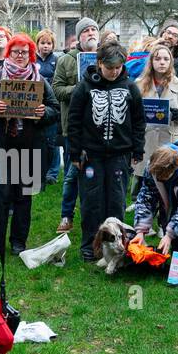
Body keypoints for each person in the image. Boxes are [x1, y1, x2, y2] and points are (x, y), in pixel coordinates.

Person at [0, 34, 59, 255]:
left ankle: (19, 242)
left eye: (24, 52)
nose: (20, 56)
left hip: (29, 147)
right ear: (9, 54)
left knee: (23, 197)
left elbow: (54, 110)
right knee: (1, 195)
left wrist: (43, 113)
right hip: (2, 145)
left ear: (30, 54)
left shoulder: (39, 80)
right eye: (15, 52)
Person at [67, 40, 145, 262]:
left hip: (120, 155)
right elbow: (73, 121)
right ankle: (90, 244)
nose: (114, 71)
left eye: (118, 67)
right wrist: (74, 153)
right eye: (110, 67)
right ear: (99, 63)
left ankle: (117, 245)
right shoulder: (84, 88)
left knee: (116, 200)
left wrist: (137, 150)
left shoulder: (130, 87)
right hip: (91, 155)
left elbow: (139, 122)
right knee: (92, 200)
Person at [51, 17, 100, 233]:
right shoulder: (66, 60)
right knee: (72, 173)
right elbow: (57, 90)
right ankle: (66, 215)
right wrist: (79, 88)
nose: (91, 33)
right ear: (79, 37)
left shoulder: (105, 57)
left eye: (93, 30)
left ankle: (96, 217)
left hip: (100, 128)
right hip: (75, 127)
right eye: (86, 30)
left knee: (97, 172)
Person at [135, 43, 178, 180]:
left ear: (171, 62)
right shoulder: (139, 84)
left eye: (166, 59)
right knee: (144, 182)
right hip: (147, 139)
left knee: (169, 181)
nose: (162, 62)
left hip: (171, 140)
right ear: (151, 61)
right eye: (158, 59)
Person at [35, 30, 61, 184]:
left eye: (49, 43)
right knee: (39, 139)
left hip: (51, 104)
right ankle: (39, 171)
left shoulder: (56, 60)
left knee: (53, 141)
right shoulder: (32, 60)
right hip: (36, 104)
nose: (46, 46)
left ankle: (53, 172)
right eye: (43, 43)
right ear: (37, 44)